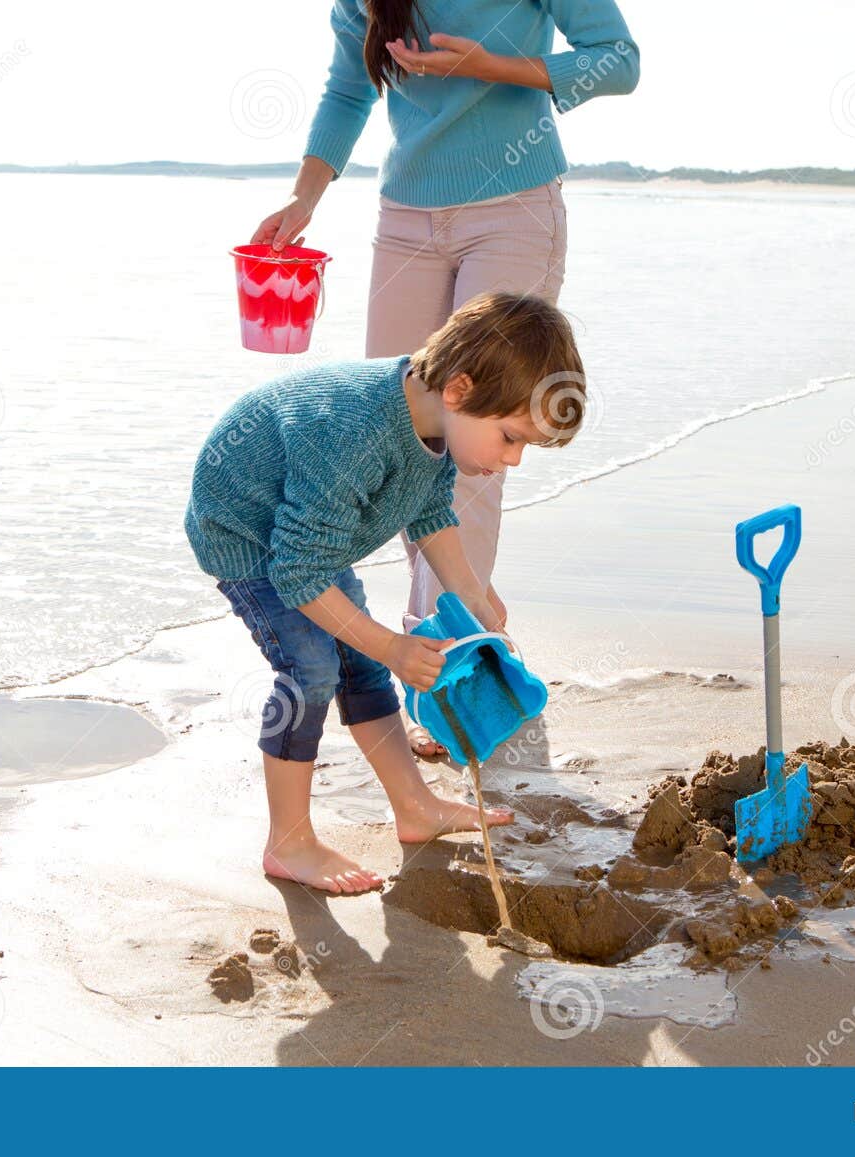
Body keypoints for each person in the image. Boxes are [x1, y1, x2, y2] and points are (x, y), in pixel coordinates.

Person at [252, 0, 639, 756]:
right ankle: (436, 641)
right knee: (399, 433)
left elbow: (617, 58)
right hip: (405, 215)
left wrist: (487, 68)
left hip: (514, 208)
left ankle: (448, 655)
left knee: (473, 451)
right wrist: (305, 195)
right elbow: (346, 88)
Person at [185, 292, 585, 894]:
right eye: (510, 438)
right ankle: (288, 842)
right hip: (252, 538)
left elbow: (428, 509)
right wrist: (393, 647)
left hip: (317, 544)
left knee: (360, 666)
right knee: (313, 669)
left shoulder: (433, 419)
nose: (514, 460)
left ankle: (413, 807)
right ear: (459, 390)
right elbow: (296, 571)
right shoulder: (354, 433)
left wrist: (471, 589)